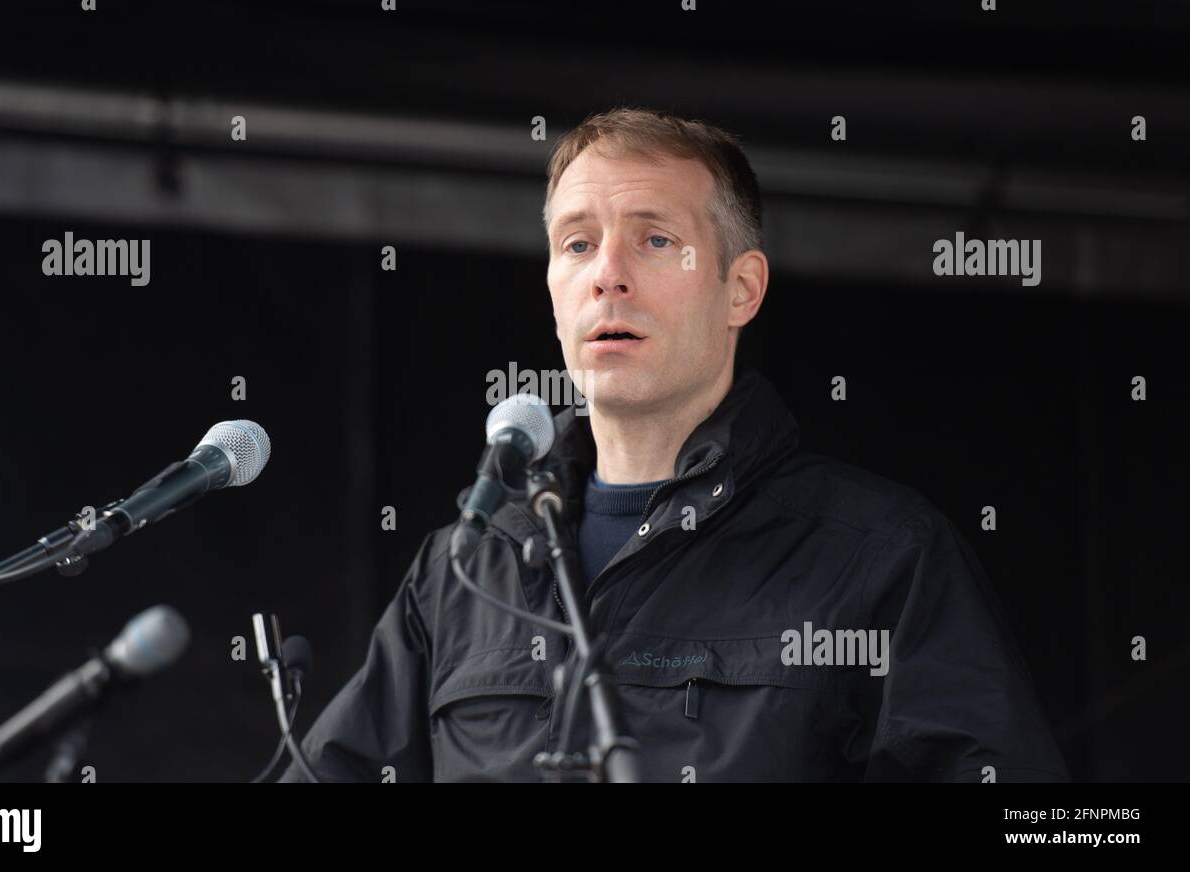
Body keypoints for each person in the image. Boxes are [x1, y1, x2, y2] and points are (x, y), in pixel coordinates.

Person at [280, 107, 1069, 782]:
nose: (608, 276)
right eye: (579, 244)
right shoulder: (464, 567)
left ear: (742, 289)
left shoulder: (881, 557)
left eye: (655, 241)